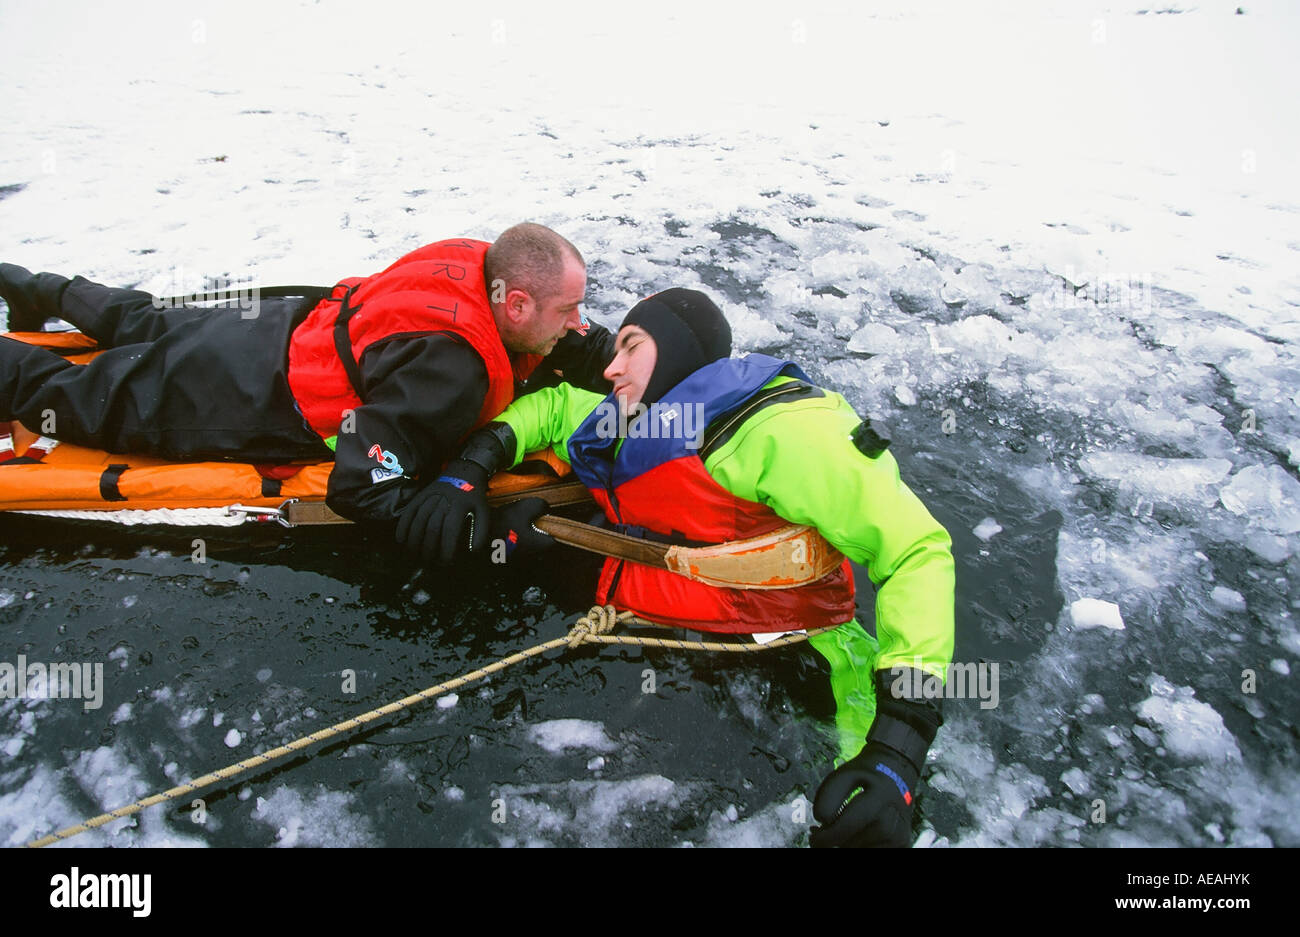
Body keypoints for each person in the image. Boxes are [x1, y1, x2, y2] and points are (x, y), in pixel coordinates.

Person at [433, 287, 957, 847]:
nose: (610, 367)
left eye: (631, 346)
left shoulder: (780, 430)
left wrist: (898, 744)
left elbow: (916, 549)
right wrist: (477, 458)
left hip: (788, 656)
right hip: (656, 626)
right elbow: (558, 407)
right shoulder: (645, 417)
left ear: (679, 351)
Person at [0, 224, 615, 552]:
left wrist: (595, 353)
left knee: (145, 319)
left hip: (282, 322)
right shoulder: (455, 373)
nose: (578, 324)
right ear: (516, 304)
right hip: (248, 393)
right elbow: (359, 485)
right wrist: (450, 516)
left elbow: (505, 328)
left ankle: (40, 288)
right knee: (75, 397)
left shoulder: (476, 257)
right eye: (567, 310)